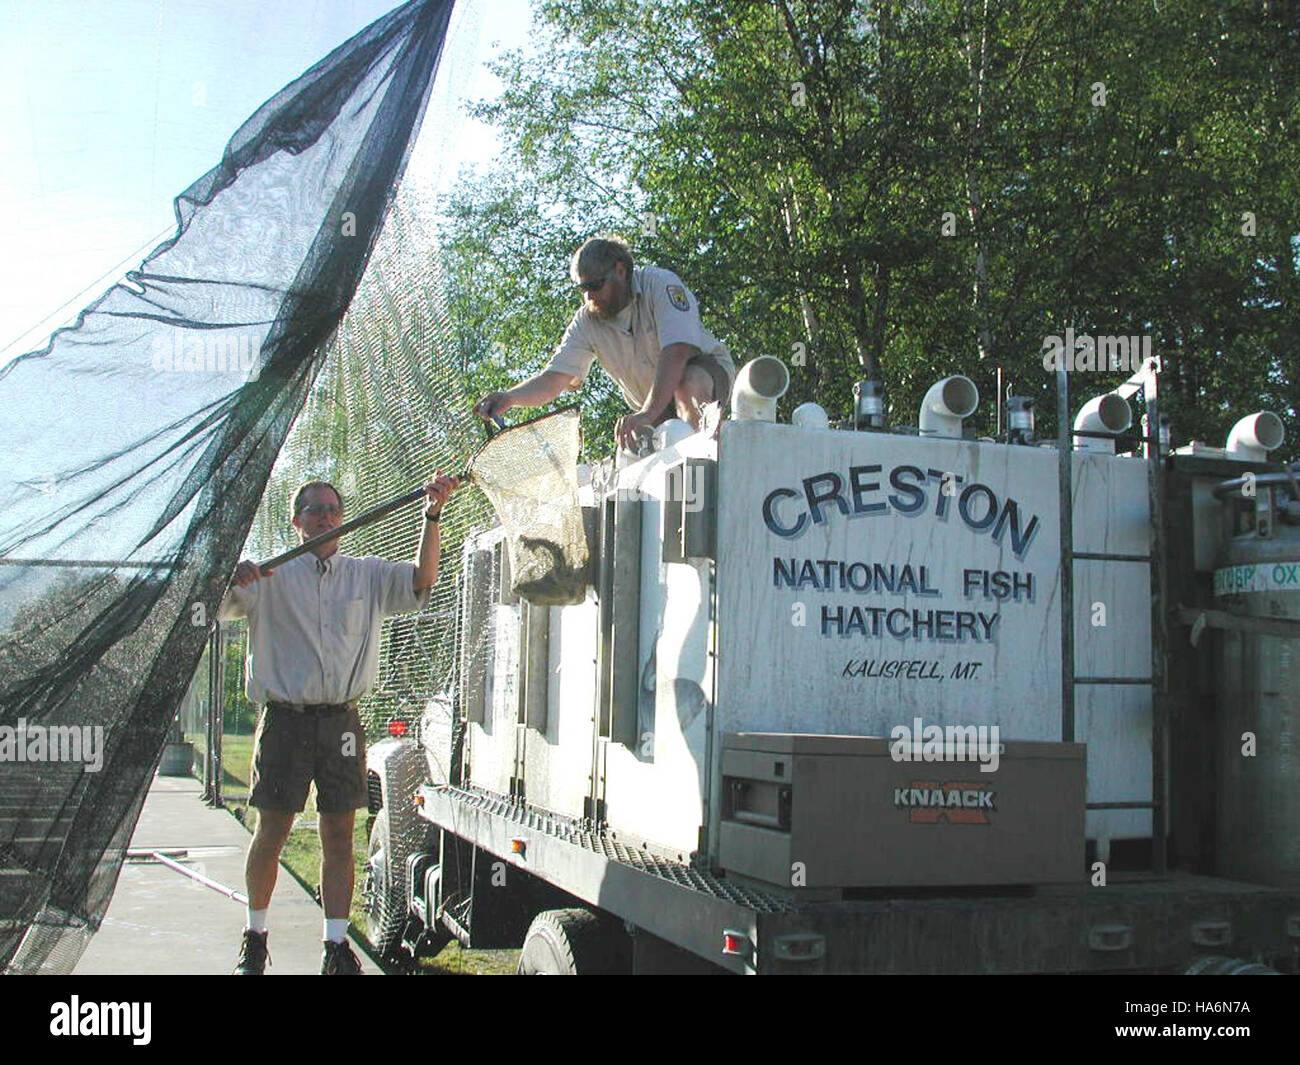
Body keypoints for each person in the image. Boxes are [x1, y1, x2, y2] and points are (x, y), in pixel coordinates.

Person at [220, 474, 458, 975]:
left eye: (333, 509)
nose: (325, 516)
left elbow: (422, 579)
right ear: (297, 521)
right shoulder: (268, 577)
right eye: (314, 510)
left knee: (339, 834)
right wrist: (231, 574)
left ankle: (335, 946)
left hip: (343, 724)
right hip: (286, 721)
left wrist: (431, 515)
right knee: (273, 830)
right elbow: (219, 606)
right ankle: (255, 938)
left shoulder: (366, 574)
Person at [473, 235, 735, 451]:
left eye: (595, 285)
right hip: (653, 408)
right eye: (581, 288)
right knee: (632, 451)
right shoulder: (586, 321)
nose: (588, 296)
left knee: (686, 383)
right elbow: (553, 379)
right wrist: (510, 397)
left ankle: (703, 470)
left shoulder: (660, 284)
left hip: (705, 378)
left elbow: (677, 352)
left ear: (620, 271)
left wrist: (645, 414)